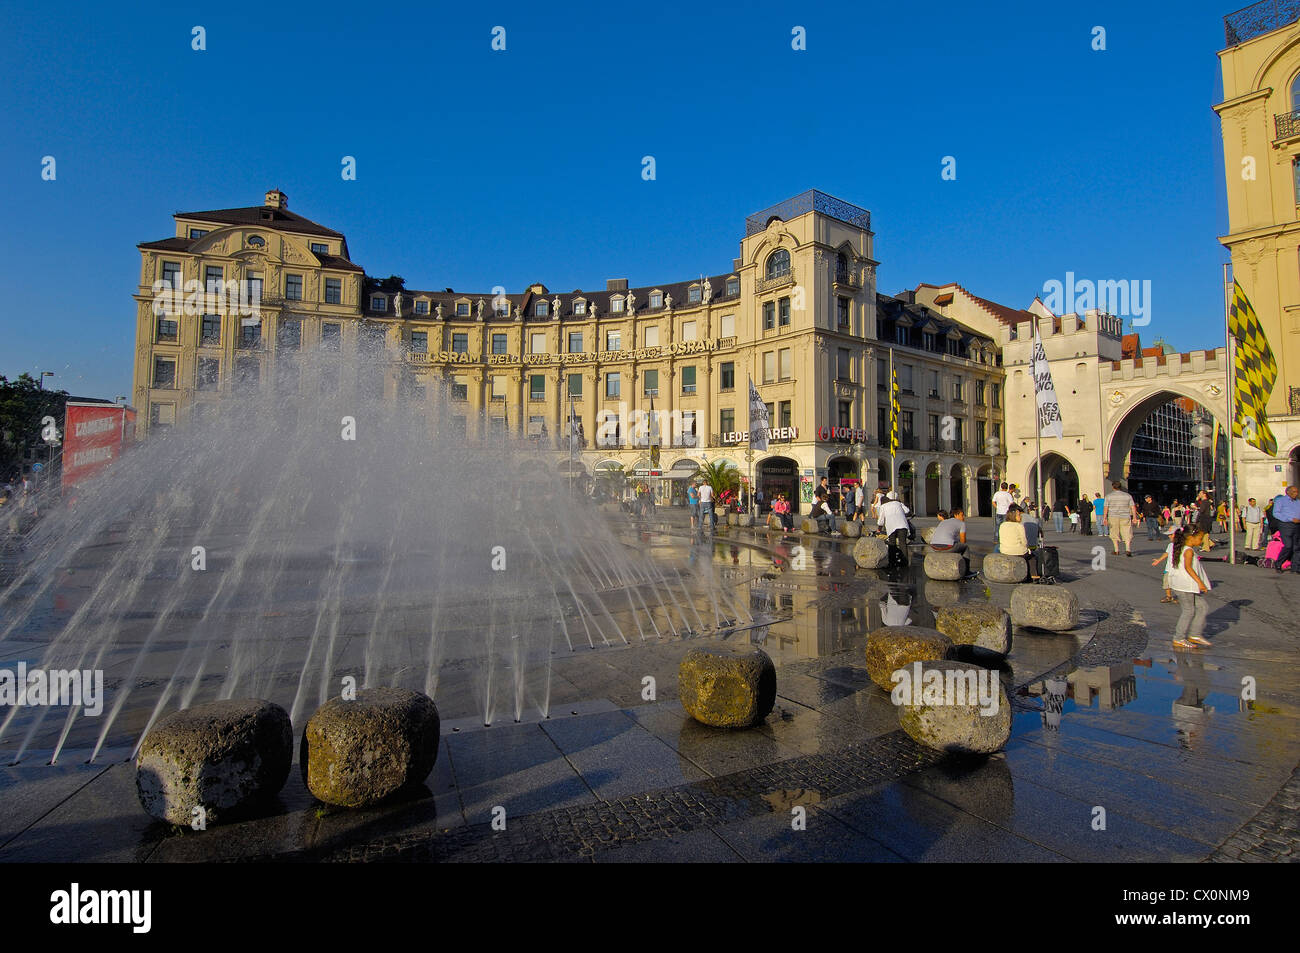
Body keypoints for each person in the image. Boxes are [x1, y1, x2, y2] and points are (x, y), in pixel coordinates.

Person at [1166, 527, 1213, 650]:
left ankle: (1195, 634)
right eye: (1200, 538)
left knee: (1203, 607)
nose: (1202, 541)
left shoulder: (1183, 548)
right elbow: (1188, 568)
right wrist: (1200, 583)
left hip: (1185, 585)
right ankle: (1178, 638)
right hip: (1185, 585)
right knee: (1189, 611)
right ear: (1190, 538)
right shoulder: (1188, 551)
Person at [998, 506, 1039, 581]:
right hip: (1017, 551)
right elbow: (1024, 541)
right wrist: (1027, 548)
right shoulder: (1019, 526)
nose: (1021, 517)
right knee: (1032, 558)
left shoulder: (1002, 525)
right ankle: (1033, 575)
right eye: (1019, 515)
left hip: (1004, 550)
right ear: (1014, 516)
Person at [1103, 480, 1138, 557]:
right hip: (1125, 516)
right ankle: (1128, 549)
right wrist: (1134, 517)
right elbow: (1133, 507)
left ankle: (1116, 550)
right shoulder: (1128, 496)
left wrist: (1104, 518)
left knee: (1114, 532)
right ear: (1120, 487)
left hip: (1113, 516)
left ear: (1113, 487)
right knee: (1127, 532)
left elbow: (1106, 508)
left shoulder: (1108, 496)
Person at [1271, 485, 1300, 575]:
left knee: (1297, 547)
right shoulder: (1281, 501)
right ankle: (1278, 563)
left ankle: (1295, 567)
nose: (1296, 494)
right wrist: (1290, 519)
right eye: (1294, 492)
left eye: (1297, 492)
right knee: (1288, 545)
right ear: (1288, 492)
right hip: (1286, 525)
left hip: (1297, 525)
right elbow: (1276, 513)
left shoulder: (1298, 502)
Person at [878, 491, 912, 565]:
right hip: (902, 525)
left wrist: (879, 529)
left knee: (892, 543)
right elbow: (907, 511)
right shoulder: (899, 503)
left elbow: (881, 520)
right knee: (903, 543)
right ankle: (905, 562)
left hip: (891, 526)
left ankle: (892, 562)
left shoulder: (883, 506)